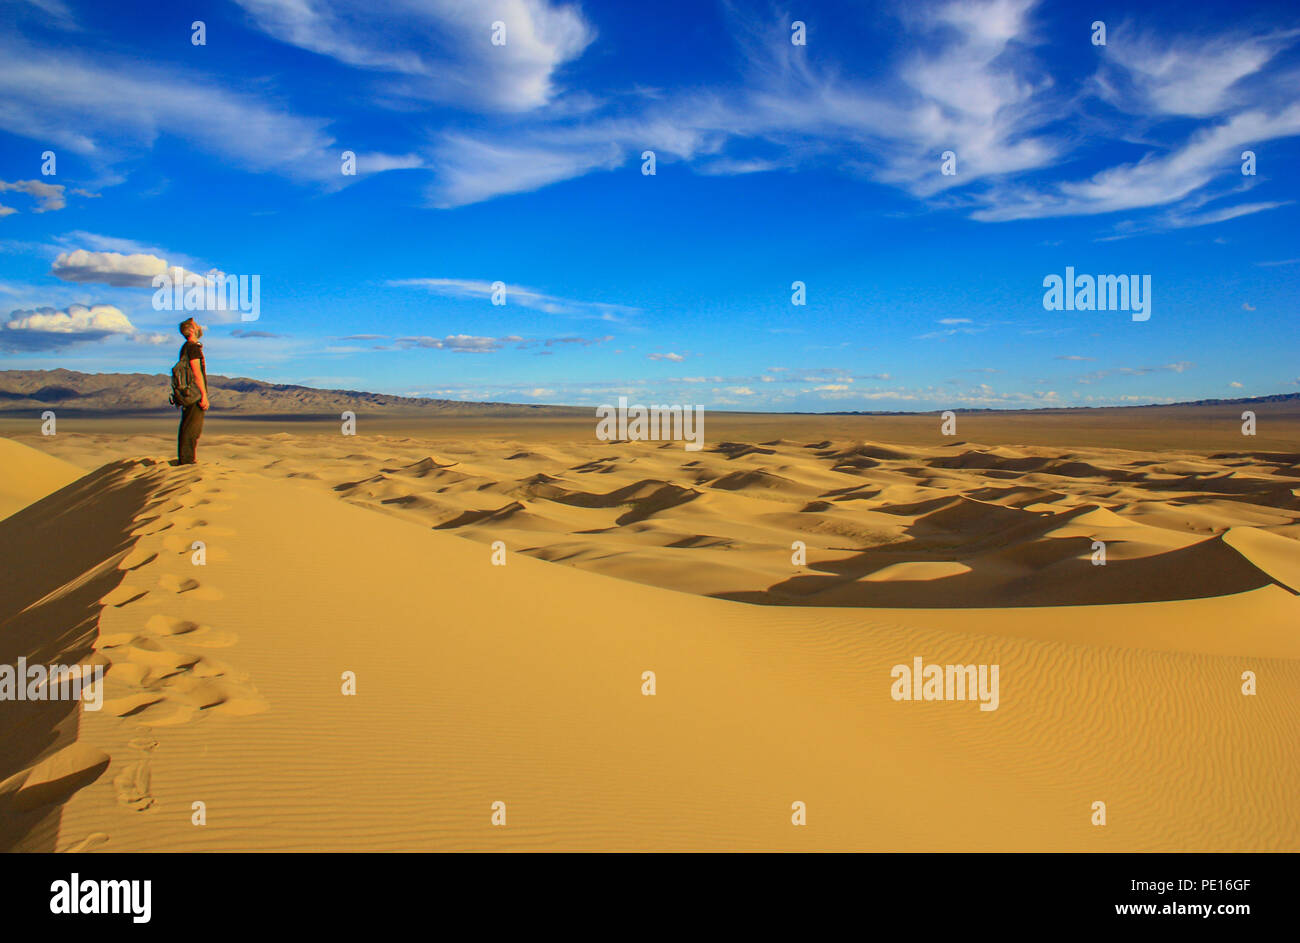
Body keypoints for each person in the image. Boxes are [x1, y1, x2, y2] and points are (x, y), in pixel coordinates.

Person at [177, 318, 209, 465]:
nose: (200, 328)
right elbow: (197, 373)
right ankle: (187, 461)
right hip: (194, 393)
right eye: (197, 326)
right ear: (191, 330)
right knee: (192, 429)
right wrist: (204, 396)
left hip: (187, 393)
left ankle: (186, 458)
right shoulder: (192, 348)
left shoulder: (186, 347)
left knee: (187, 425)